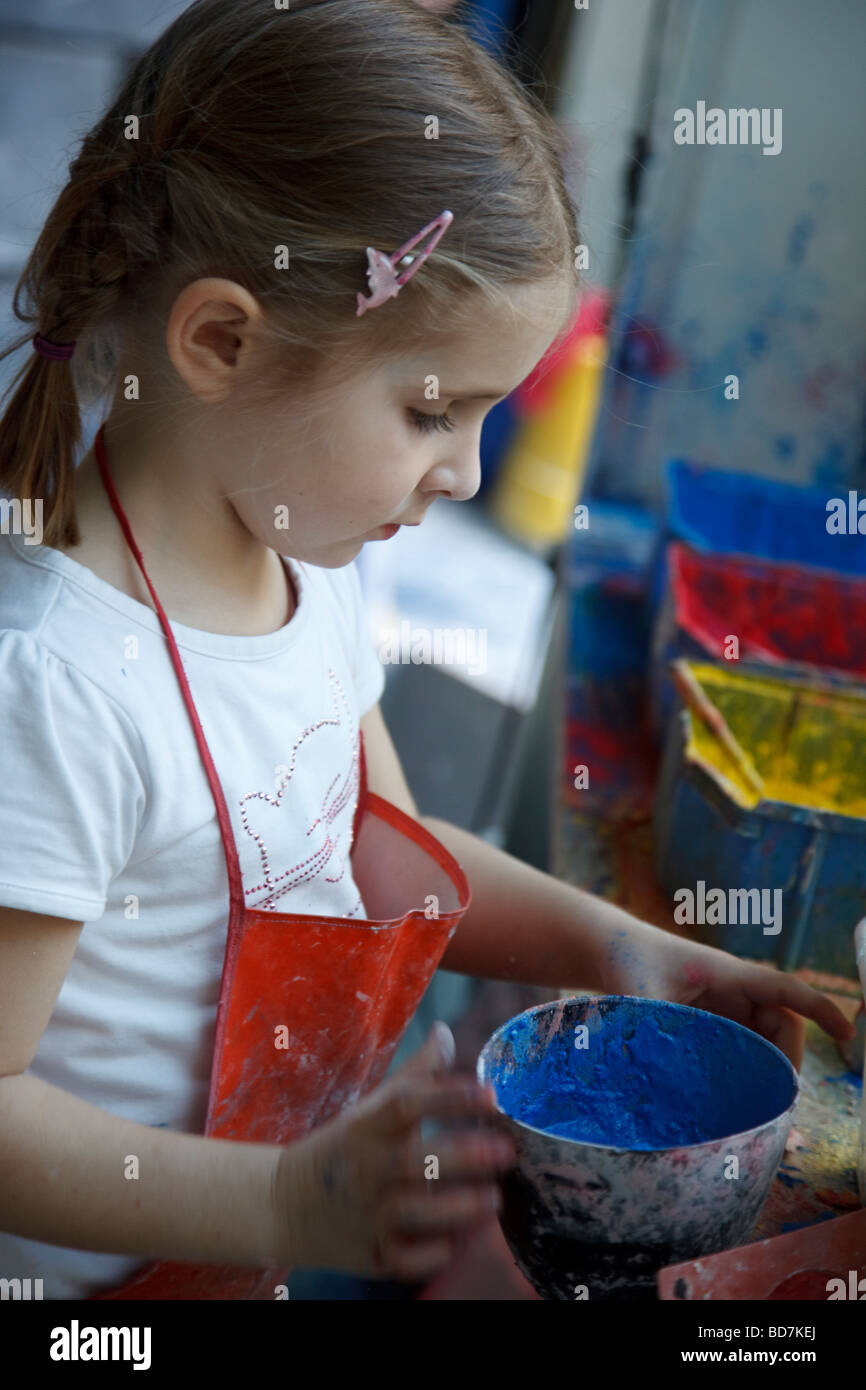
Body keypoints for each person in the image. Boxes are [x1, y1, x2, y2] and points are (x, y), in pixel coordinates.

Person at [0, 0, 852, 1301]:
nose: (461, 474)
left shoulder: (299, 558)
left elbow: (381, 845)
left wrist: (621, 950)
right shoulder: (53, 682)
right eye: (427, 410)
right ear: (221, 342)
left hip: (262, 1237)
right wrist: (285, 1196)